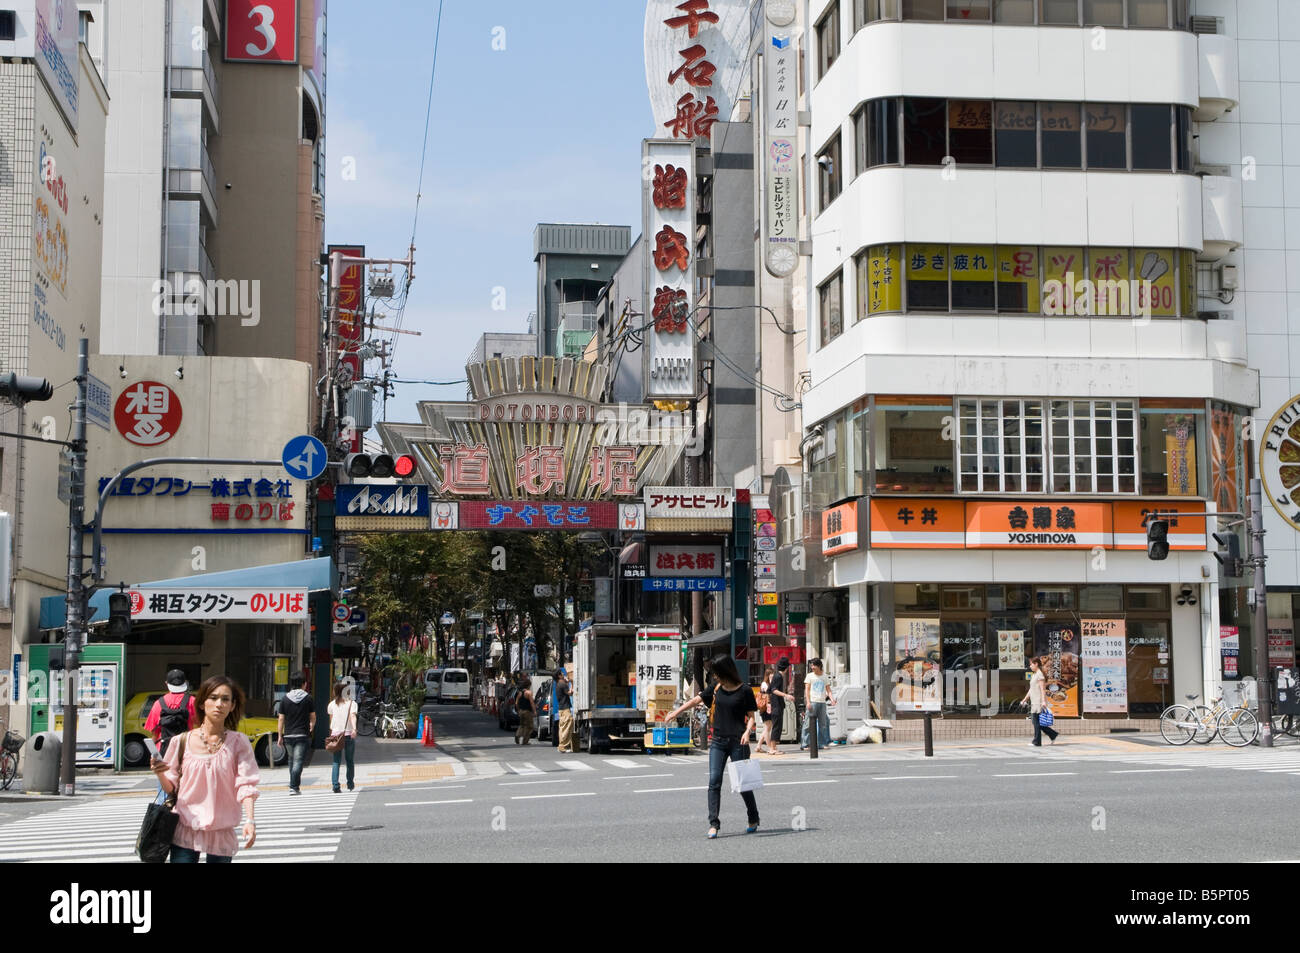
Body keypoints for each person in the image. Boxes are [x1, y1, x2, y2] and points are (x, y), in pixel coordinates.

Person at [150, 675, 259, 863]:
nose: (219, 704)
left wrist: (250, 820)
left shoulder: (239, 742)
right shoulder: (180, 741)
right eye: (213, 698)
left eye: (225, 699)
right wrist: (159, 772)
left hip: (221, 830)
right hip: (185, 828)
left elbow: (246, 784)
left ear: (232, 706)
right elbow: (171, 790)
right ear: (201, 703)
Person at [663, 654, 759, 839]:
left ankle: (753, 817)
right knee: (714, 781)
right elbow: (695, 701)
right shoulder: (715, 689)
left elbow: (752, 717)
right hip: (718, 742)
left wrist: (747, 733)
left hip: (738, 742)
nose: (714, 676)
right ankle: (714, 824)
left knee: (742, 784)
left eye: (716, 673)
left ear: (725, 671)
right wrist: (675, 712)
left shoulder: (745, 691)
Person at [274, 672, 316, 795]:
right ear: (304, 684)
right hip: (302, 734)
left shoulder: (285, 699)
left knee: (292, 760)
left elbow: (281, 718)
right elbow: (313, 716)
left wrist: (280, 735)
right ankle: (294, 786)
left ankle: (294, 785)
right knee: (298, 761)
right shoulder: (308, 698)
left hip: (288, 735)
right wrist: (311, 725)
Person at [145, 669, 199, 757]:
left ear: (166, 683)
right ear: (185, 682)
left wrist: (154, 756)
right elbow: (201, 725)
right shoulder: (192, 701)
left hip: (164, 751)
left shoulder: (158, 703)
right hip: (186, 751)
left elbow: (154, 733)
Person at [1020, 657, 1059, 747]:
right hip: (1034, 701)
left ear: (1036, 664)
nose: (1030, 666)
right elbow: (1031, 689)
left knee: (1035, 722)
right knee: (1036, 722)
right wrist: (1024, 700)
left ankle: (1037, 741)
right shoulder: (1034, 675)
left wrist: (1044, 701)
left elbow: (1043, 689)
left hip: (1038, 701)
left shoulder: (1040, 675)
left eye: (1031, 664)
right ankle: (1052, 734)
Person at [327, 680, 358, 792]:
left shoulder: (331, 704)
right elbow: (352, 716)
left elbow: (331, 722)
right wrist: (354, 729)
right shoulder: (352, 703)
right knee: (349, 761)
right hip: (348, 735)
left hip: (336, 735)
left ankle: (335, 785)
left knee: (336, 761)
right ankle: (350, 784)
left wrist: (332, 734)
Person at [801, 658, 836, 750]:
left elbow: (828, 690)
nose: (812, 667)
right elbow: (807, 690)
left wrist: (832, 699)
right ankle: (805, 744)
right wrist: (808, 702)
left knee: (823, 724)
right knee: (808, 724)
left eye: (814, 665)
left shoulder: (824, 676)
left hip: (822, 702)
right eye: (811, 665)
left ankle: (822, 743)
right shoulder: (809, 676)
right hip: (812, 702)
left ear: (819, 666)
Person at [767, 657, 795, 753]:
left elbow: (769, 689)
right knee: (776, 727)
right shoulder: (778, 677)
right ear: (786, 668)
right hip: (777, 705)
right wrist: (786, 695)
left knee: (776, 726)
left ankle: (773, 747)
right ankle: (772, 748)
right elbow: (773, 690)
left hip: (776, 704)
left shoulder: (776, 676)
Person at [555, 668, 575, 753]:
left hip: (561, 709)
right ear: (559, 675)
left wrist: (567, 681)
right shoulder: (563, 684)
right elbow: (570, 693)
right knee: (568, 725)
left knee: (562, 727)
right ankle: (562, 745)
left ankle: (561, 745)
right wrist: (572, 683)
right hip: (565, 708)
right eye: (562, 674)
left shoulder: (559, 684)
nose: (563, 674)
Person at [757, 668, 775, 754]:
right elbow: (769, 692)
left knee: (767, 727)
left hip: (768, 707)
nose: (773, 676)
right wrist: (771, 681)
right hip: (765, 707)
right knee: (768, 727)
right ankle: (769, 747)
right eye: (771, 674)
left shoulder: (767, 683)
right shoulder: (765, 684)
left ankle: (758, 746)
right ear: (768, 675)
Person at [515, 678, 535, 745]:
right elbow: (532, 703)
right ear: (529, 685)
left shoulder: (520, 693)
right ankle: (525, 741)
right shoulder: (529, 693)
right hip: (527, 712)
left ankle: (517, 735)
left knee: (522, 725)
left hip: (521, 711)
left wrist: (518, 710)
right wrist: (534, 711)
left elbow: (516, 703)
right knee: (529, 726)